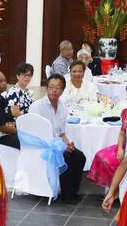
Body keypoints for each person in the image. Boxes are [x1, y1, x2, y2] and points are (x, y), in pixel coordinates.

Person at [29, 74, 86, 202]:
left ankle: (72, 191)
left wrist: (68, 144)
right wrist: (60, 146)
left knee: (79, 155)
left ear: (63, 90)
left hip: (57, 143)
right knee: (64, 155)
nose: (54, 90)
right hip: (42, 144)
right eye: (51, 87)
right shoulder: (37, 106)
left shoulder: (63, 108)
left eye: (58, 87)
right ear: (46, 88)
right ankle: (66, 194)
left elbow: (62, 133)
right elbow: (34, 131)